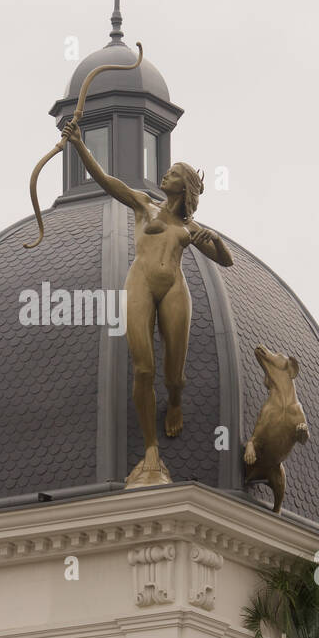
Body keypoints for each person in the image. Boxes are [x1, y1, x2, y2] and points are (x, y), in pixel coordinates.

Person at [60, 120, 233, 485]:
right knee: (143, 369)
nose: (164, 175)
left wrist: (212, 237)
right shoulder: (144, 205)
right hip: (139, 281)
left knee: (174, 373)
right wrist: (78, 144)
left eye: (171, 173)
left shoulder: (189, 229)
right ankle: (151, 447)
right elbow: (107, 181)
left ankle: (174, 400)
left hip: (173, 288)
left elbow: (225, 260)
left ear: (182, 187)